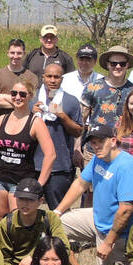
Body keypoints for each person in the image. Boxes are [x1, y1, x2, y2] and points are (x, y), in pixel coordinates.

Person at [56, 124, 133, 265]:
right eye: (93, 143)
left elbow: (126, 210)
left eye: (100, 142)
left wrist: (108, 243)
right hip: (96, 219)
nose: (96, 147)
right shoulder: (99, 158)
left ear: (113, 141)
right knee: (53, 224)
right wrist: (58, 211)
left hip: (118, 234)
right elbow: (81, 183)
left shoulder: (127, 167)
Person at [0, 78, 54, 220]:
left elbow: (50, 155)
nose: (17, 97)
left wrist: (39, 184)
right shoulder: (2, 119)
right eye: (14, 93)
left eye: (22, 94)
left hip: (21, 180)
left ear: (30, 96)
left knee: (17, 219)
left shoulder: (35, 122)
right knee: (1, 217)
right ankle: (4, 243)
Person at [0, 179, 69, 265]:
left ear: (40, 201)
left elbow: (63, 247)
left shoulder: (50, 219)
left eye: (30, 200)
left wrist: (34, 257)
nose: (25, 203)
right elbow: (4, 258)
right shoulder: (6, 224)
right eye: (21, 199)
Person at [32, 61, 84, 208]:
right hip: (33, 163)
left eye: (57, 77)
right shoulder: (33, 98)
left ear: (62, 79)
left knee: (58, 210)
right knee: (29, 208)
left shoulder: (70, 101)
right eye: (49, 76)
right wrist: (31, 114)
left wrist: (63, 116)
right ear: (43, 77)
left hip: (60, 166)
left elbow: (78, 131)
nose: (52, 80)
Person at [81, 45, 133, 130]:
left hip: (124, 140)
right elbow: (81, 119)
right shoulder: (92, 87)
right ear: (108, 65)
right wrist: (78, 141)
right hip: (95, 140)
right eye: (113, 63)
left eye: (122, 64)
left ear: (127, 65)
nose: (118, 67)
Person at [0, 38, 39, 118]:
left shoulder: (31, 77)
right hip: (0, 120)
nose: (15, 56)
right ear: (8, 53)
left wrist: (3, 96)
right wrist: (20, 101)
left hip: (24, 120)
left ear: (24, 54)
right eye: (12, 53)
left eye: (19, 53)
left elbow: (30, 102)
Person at [61, 43, 99, 111]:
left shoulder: (102, 80)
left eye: (88, 60)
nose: (84, 63)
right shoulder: (64, 79)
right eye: (81, 59)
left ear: (95, 62)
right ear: (76, 59)